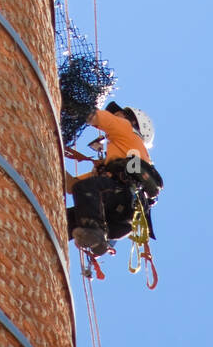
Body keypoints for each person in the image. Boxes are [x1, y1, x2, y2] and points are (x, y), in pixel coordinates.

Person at [66, 104, 161, 257]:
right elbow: (72, 186)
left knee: (85, 189)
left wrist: (69, 104)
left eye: (119, 114)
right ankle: (95, 238)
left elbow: (96, 117)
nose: (115, 115)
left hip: (118, 199)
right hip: (120, 223)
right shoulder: (114, 166)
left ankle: (95, 234)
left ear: (133, 122)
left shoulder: (128, 129)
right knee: (64, 221)